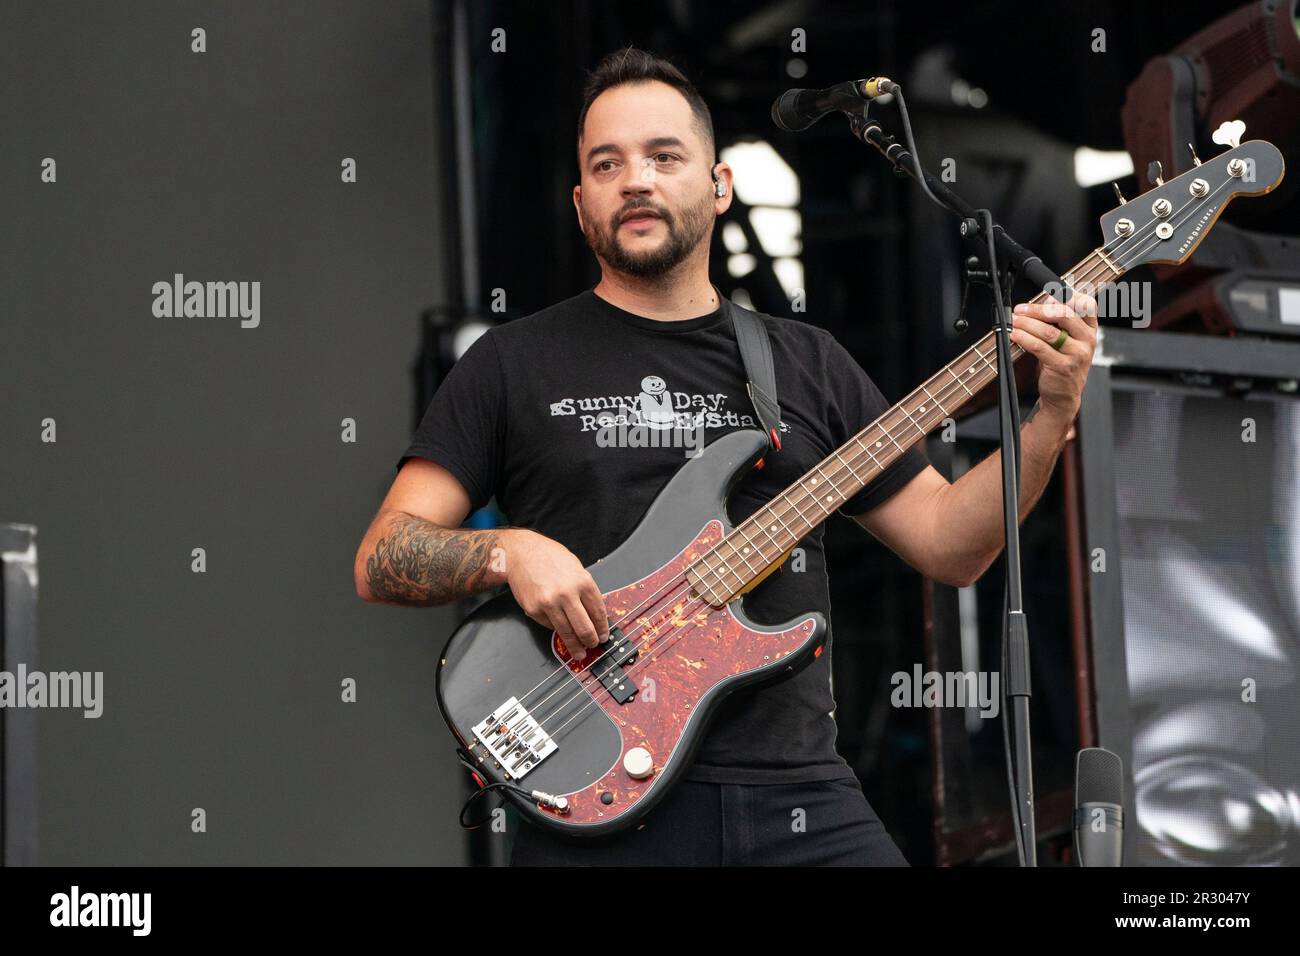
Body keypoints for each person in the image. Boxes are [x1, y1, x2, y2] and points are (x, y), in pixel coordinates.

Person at [353, 46, 1097, 865]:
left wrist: (1051, 412)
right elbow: (385, 557)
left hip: (801, 794)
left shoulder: (806, 364)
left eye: (663, 157)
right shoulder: (509, 362)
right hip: (602, 790)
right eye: (608, 164)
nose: (635, 179)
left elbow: (951, 546)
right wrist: (508, 550)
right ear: (579, 203)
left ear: (719, 187)